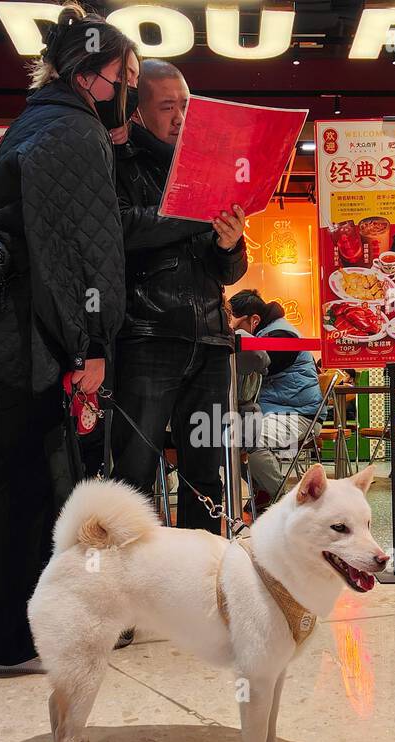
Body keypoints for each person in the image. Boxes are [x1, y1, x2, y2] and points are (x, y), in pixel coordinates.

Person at [0, 5, 136, 672]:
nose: (125, 92)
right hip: (34, 337)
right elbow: (81, 253)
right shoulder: (72, 133)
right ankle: (5, 640)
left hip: (9, 331)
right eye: (122, 78)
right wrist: (91, 343)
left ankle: (10, 633)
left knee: (23, 482)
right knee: (28, 485)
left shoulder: (37, 121)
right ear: (91, 75)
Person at [108, 58, 248, 533]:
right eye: (167, 107)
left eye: (186, 106)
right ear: (138, 113)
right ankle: (130, 585)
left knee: (206, 474)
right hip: (146, 337)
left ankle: (204, 582)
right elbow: (124, 229)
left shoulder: (208, 167)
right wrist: (197, 212)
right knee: (134, 473)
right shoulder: (119, 163)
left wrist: (229, 243)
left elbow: (229, 272)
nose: (180, 118)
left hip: (211, 341)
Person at [227, 290, 323, 509]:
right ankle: (263, 490)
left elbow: (256, 362)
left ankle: (289, 504)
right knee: (224, 441)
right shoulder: (267, 332)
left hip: (299, 414)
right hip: (274, 412)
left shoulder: (281, 336)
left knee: (254, 441)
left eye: (234, 324)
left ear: (254, 320)